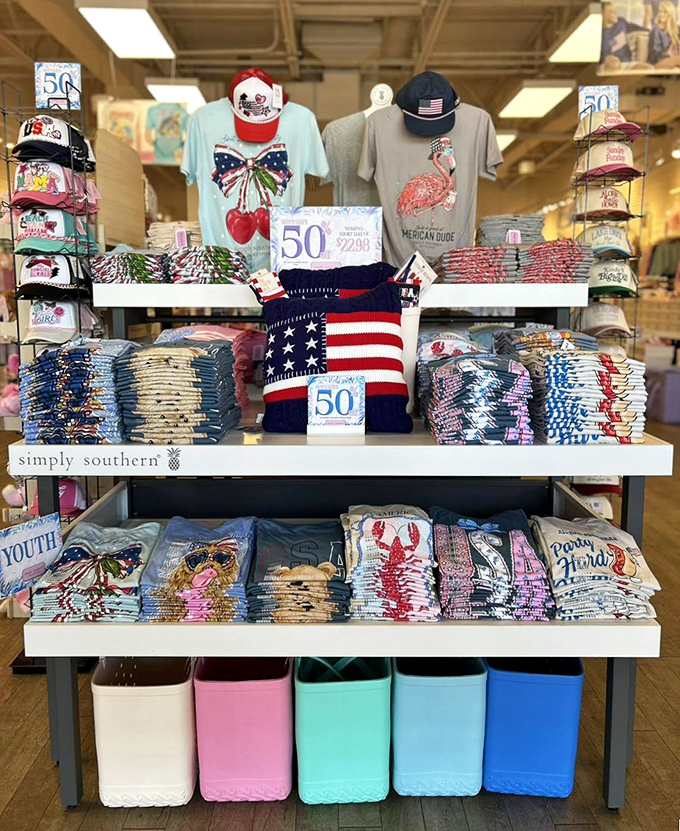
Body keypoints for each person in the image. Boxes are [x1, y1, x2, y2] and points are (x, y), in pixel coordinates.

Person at [649, 0, 680, 67]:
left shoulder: (677, 29)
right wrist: (671, 58)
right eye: (660, 11)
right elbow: (655, 55)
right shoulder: (656, 30)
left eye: (665, 12)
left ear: (670, 14)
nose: (661, 14)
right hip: (660, 62)